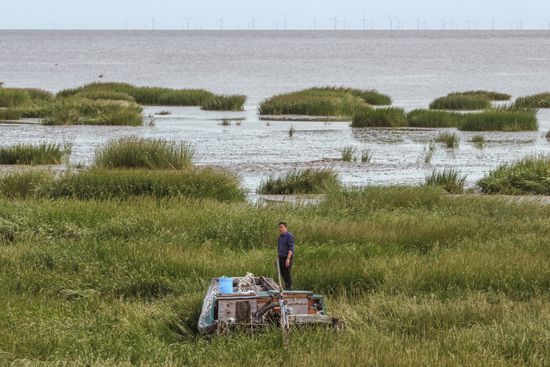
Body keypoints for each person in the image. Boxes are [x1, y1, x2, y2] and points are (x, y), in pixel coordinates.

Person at [277, 221, 294, 290]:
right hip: (281, 257)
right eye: (279, 227)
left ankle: (289, 287)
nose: (280, 229)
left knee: (287, 273)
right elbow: (279, 248)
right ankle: (287, 286)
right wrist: (278, 257)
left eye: (282, 227)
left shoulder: (289, 236)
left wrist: (288, 259)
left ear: (285, 228)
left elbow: (291, 248)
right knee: (282, 272)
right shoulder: (280, 237)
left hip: (287, 257)